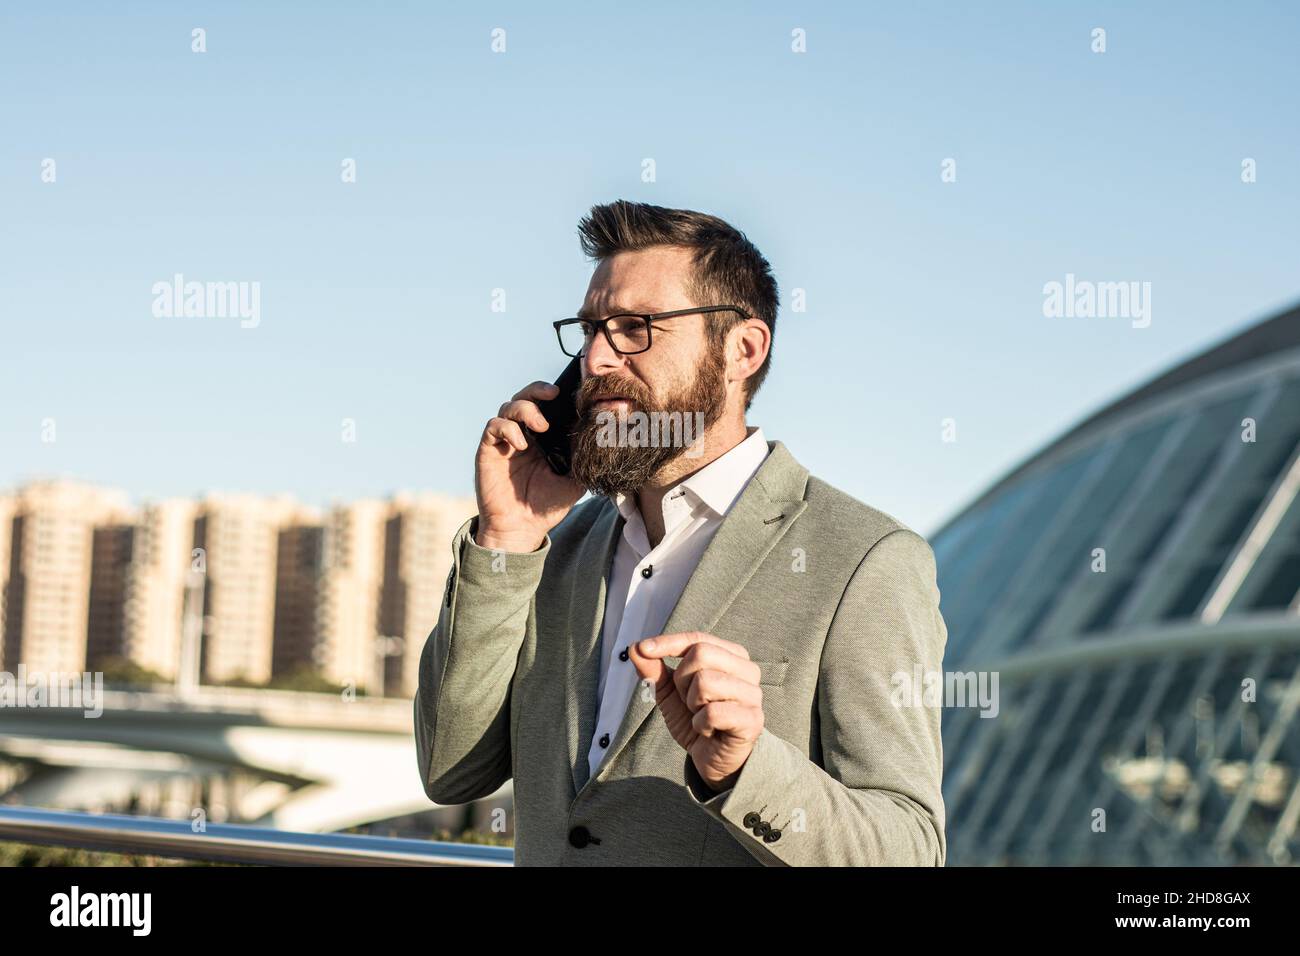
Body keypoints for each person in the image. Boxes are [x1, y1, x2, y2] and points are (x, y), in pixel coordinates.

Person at [414, 199, 948, 865]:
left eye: (635, 327)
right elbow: (449, 772)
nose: (598, 358)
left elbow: (908, 848)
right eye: (589, 330)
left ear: (742, 350)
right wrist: (507, 539)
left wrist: (745, 767)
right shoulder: (554, 549)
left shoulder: (864, 560)